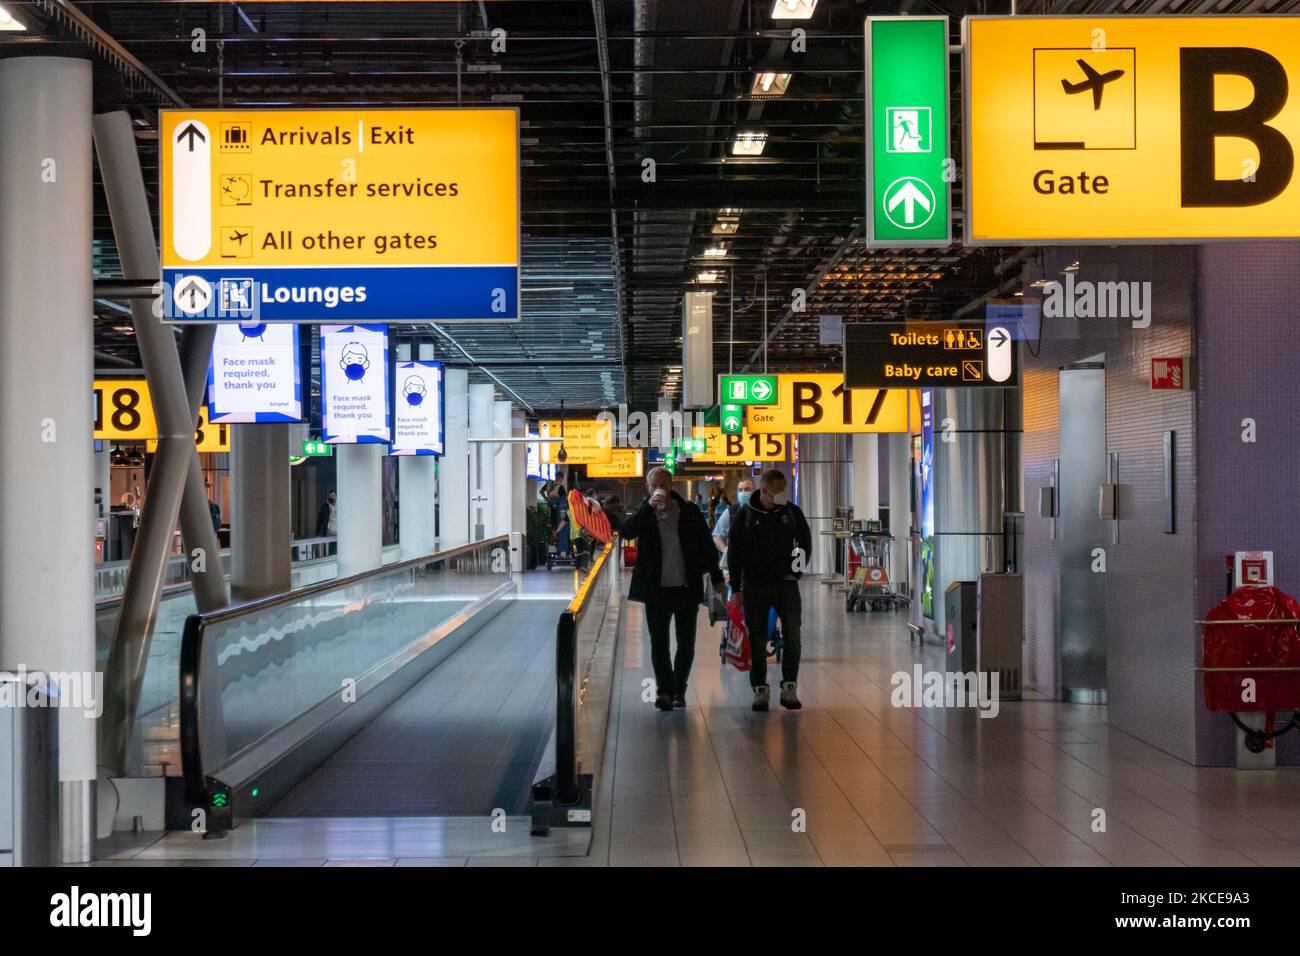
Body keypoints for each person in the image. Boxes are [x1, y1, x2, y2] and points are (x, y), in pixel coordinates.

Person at [620, 466, 723, 711]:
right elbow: (626, 532)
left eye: (663, 485)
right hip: (656, 589)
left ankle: (679, 689)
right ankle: (664, 690)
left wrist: (717, 575)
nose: (659, 489)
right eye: (654, 485)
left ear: (671, 485)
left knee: (686, 641)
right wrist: (648, 507)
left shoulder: (688, 511)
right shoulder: (644, 513)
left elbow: (706, 546)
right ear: (648, 488)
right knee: (659, 642)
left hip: (686, 588)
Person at [728, 468, 812, 712]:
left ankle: (789, 687)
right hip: (754, 585)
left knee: (793, 636)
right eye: (778, 490)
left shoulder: (792, 513)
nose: (782, 495)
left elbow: (804, 544)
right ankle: (760, 690)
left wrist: (794, 573)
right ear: (764, 489)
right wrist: (736, 587)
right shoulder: (745, 516)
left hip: (786, 585)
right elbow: (735, 554)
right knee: (757, 638)